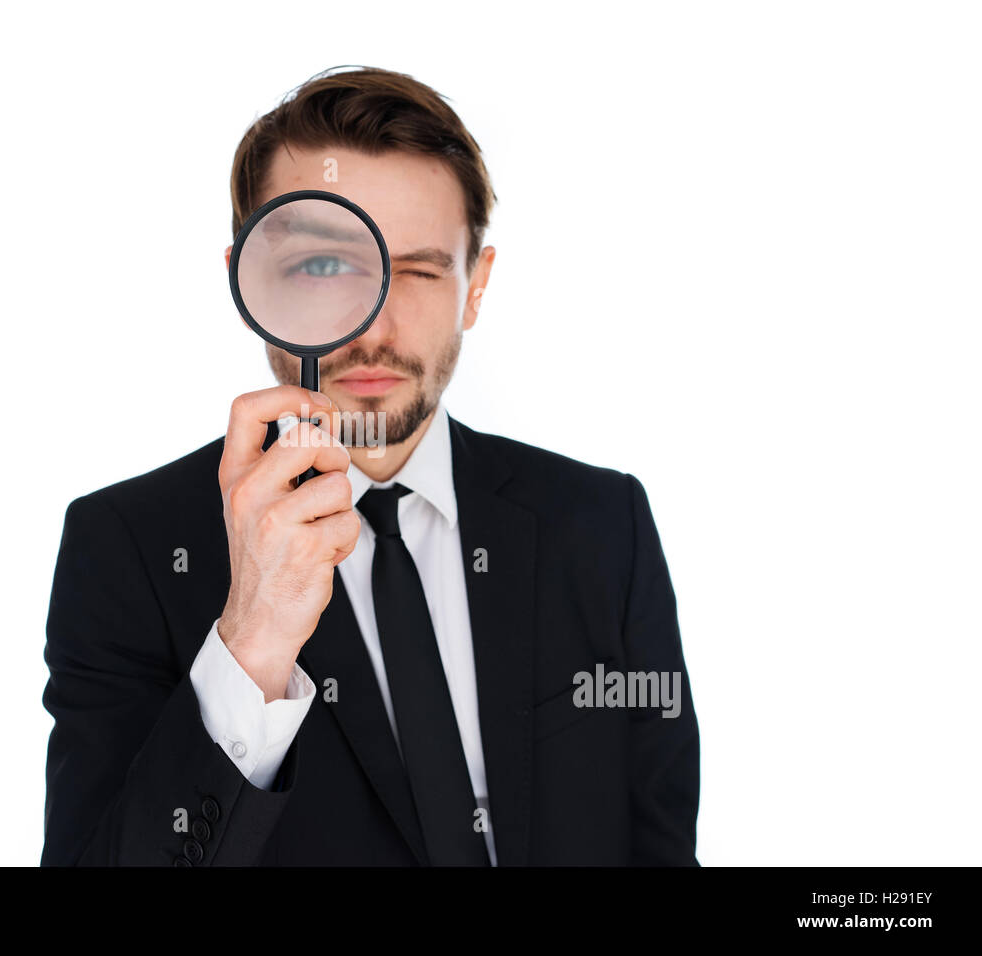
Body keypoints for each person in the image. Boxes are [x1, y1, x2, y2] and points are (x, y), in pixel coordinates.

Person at [40, 66, 699, 866]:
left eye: (418, 270)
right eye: (324, 267)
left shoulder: (601, 525)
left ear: (476, 287)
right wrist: (251, 643)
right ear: (248, 281)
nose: (373, 323)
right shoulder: (127, 549)